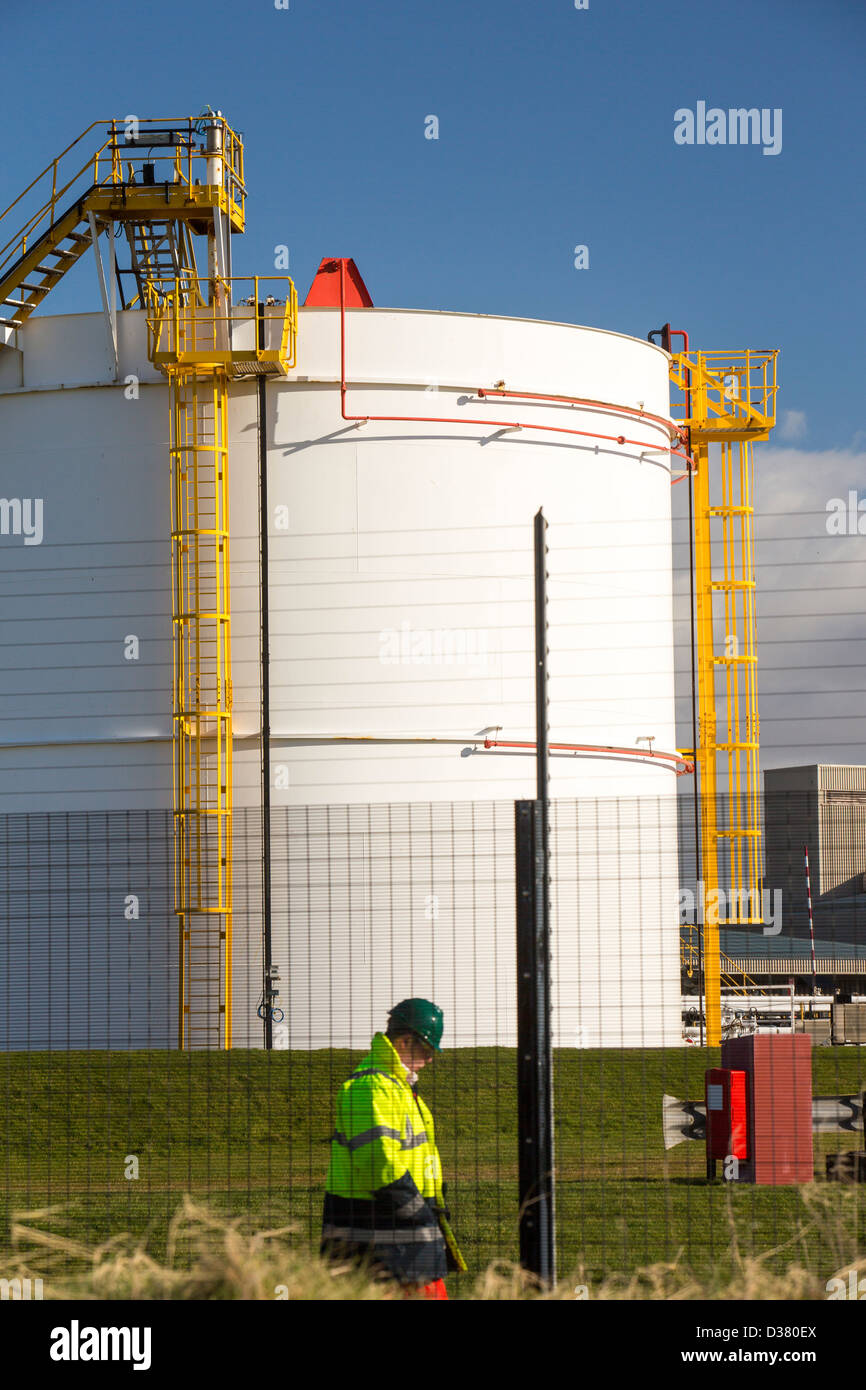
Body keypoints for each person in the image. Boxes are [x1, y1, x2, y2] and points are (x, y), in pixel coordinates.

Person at [321, 998, 462, 1299]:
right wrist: (419, 1212)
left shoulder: (396, 1088)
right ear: (405, 1041)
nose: (430, 1058)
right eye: (426, 1049)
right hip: (381, 1236)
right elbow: (378, 1164)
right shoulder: (371, 1087)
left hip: (398, 1233)